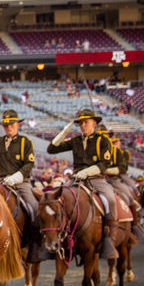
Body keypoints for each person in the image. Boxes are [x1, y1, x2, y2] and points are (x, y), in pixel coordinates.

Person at [47, 108, 119, 259]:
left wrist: (87, 171)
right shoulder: (75, 141)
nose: (83, 125)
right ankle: (59, 235)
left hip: (96, 178)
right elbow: (51, 149)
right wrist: (64, 132)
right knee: (57, 200)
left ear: (94, 123)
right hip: (77, 179)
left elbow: (105, 163)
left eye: (86, 122)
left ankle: (110, 237)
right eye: (80, 123)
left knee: (110, 200)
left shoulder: (103, 141)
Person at [0, 109, 43, 262]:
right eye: (6, 125)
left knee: (34, 207)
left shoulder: (25, 142)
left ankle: (34, 245)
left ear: (18, 124)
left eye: (12, 124)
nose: (9, 127)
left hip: (20, 182)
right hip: (1, 181)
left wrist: (15, 177)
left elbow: (29, 164)